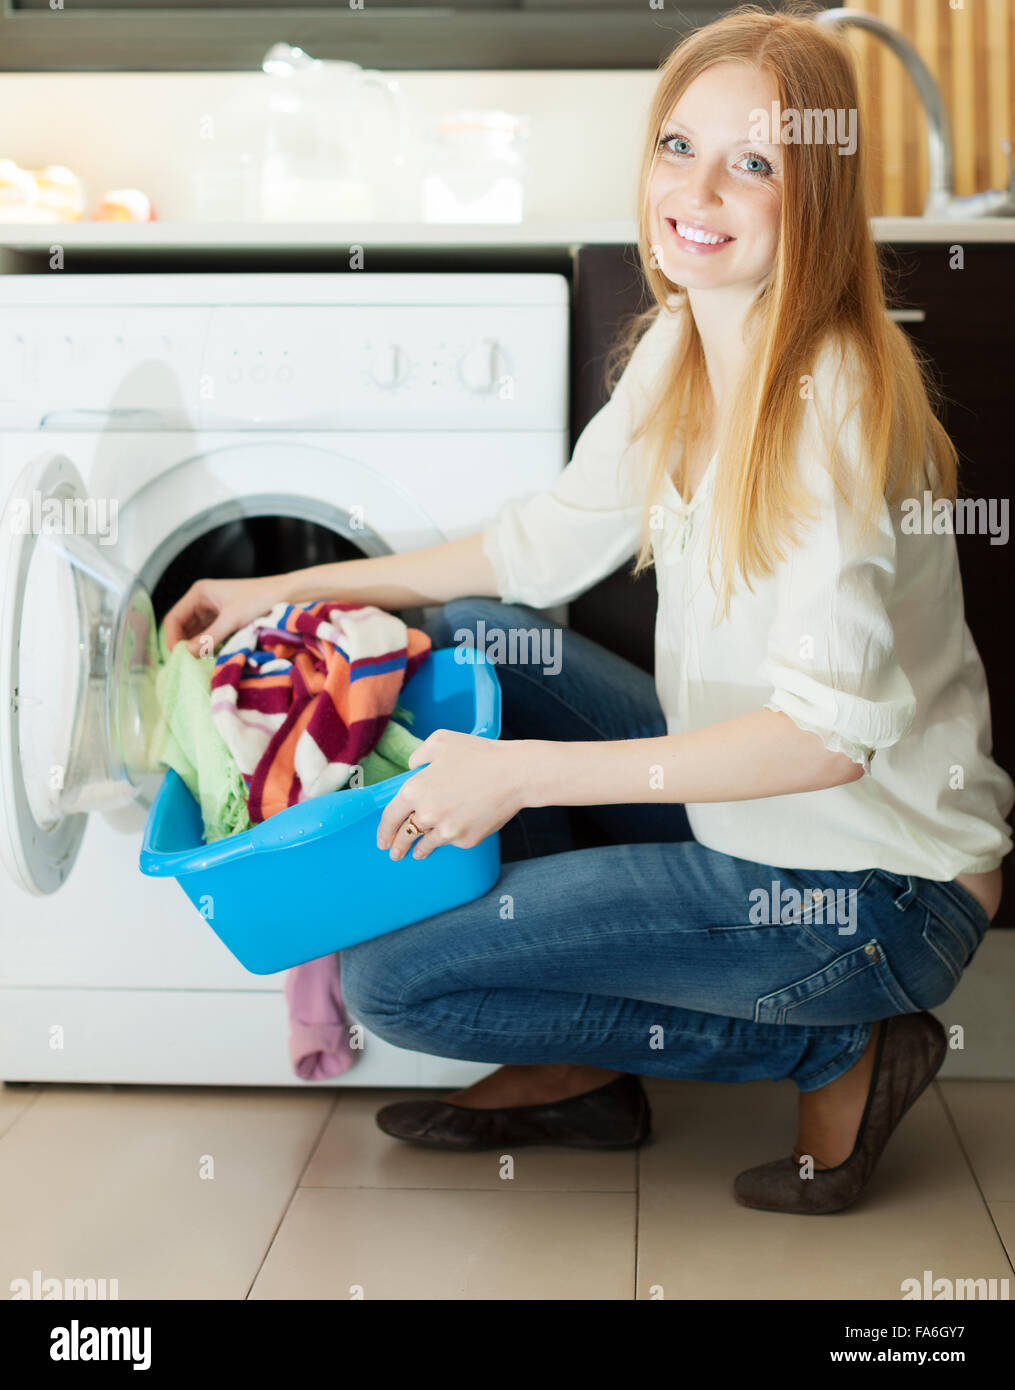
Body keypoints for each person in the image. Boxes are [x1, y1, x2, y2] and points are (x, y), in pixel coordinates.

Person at [164, 3, 1012, 1214]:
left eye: (753, 163)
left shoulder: (835, 405)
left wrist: (516, 776)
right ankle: (585, 1069)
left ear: (814, 192)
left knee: (393, 985)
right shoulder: (686, 343)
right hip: (748, 825)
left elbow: (826, 741)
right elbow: (533, 545)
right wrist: (278, 585)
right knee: (463, 640)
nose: (697, 188)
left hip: (873, 888)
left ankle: (840, 1044)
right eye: (679, 146)